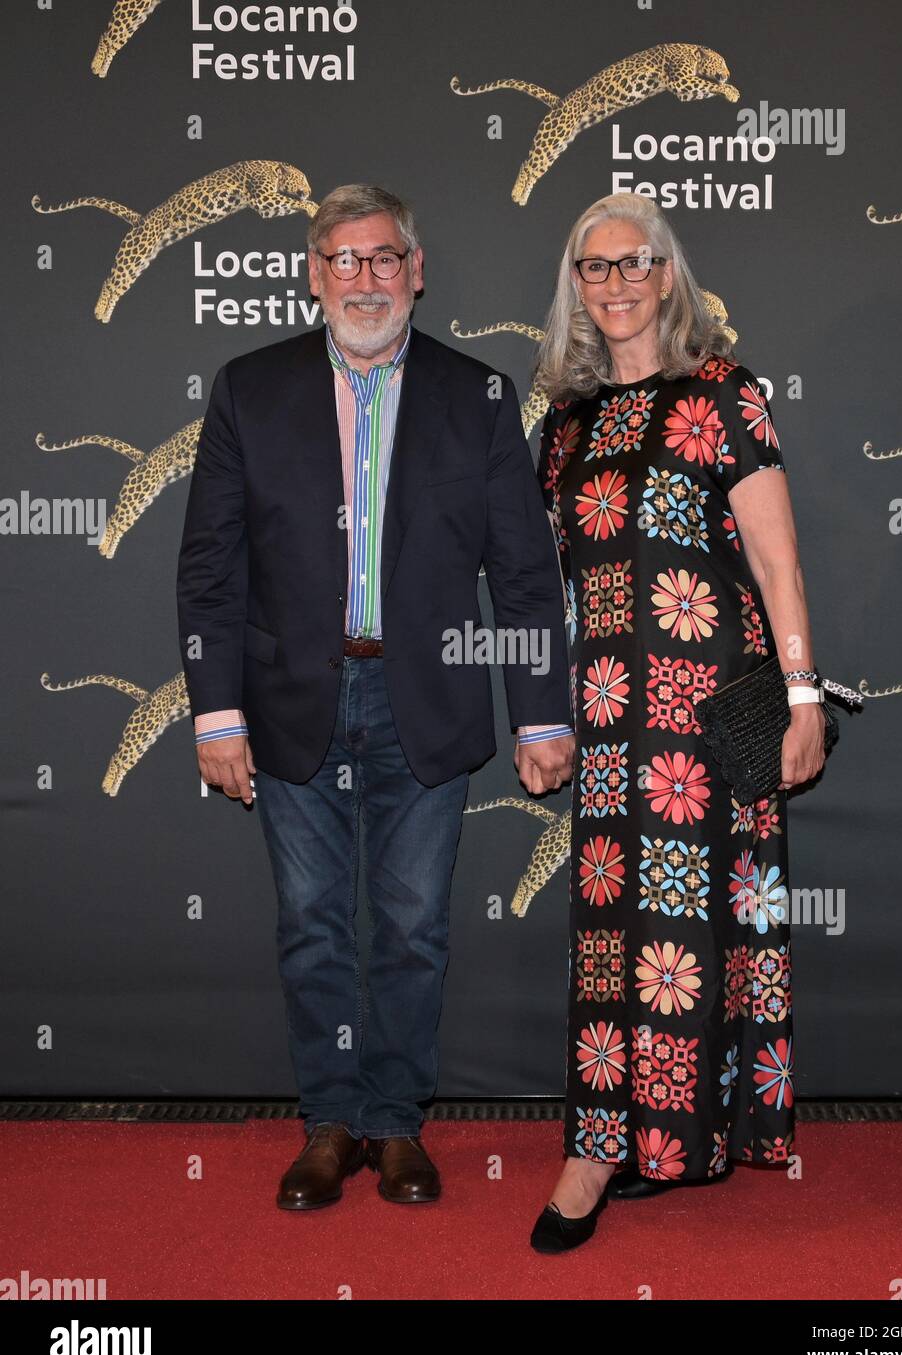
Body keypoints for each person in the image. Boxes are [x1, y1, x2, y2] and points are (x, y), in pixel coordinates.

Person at [176, 184, 574, 1210]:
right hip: (286, 700)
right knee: (311, 922)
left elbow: (523, 575)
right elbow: (211, 568)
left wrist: (538, 712)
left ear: (417, 268)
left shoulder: (477, 395)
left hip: (426, 701)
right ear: (314, 275)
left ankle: (396, 1123)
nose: (364, 279)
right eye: (342, 261)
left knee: (410, 927)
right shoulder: (247, 389)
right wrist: (216, 712)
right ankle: (329, 1124)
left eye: (383, 258)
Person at [528, 192, 826, 1253]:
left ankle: (676, 1132)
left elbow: (777, 561)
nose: (613, 284)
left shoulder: (721, 394)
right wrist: (539, 716)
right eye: (592, 267)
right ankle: (605, 1144)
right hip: (609, 724)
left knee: (699, 936)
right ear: (575, 286)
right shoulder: (560, 427)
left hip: (708, 717)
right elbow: (548, 594)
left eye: (632, 263)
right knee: (618, 944)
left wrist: (799, 696)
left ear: (665, 274)